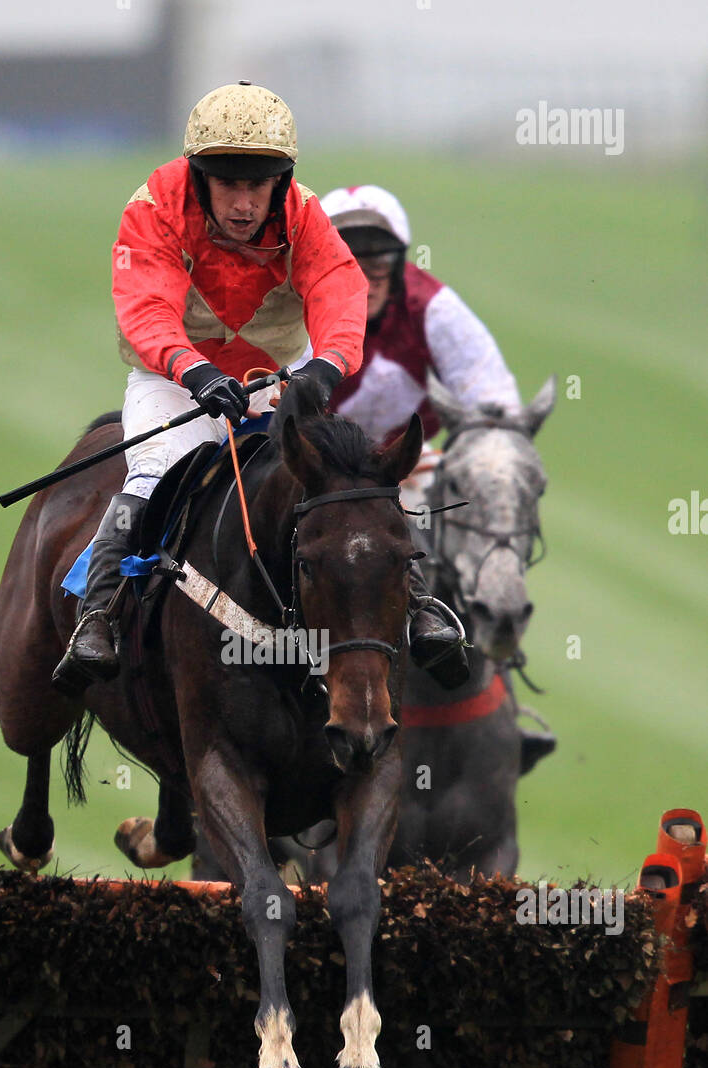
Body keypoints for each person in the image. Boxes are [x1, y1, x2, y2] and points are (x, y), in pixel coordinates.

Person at [52, 87, 466, 696]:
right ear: (198, 178)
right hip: (175, 380)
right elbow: (146, 306)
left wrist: (326, 367)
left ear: (282, 180)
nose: (245, 205)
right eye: (228, 186)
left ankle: (422, 607)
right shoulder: (153, 208)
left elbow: (336, 288)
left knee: (347, 477)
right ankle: (100, 617)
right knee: (154, 468)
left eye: (259, 186)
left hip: (279, 376)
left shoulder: (302, 211)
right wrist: (193, 372)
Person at [319, 184, 556, 766]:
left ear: (400, 261)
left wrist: (461, 452)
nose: (366, 275)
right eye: (350, 260)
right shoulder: (291, 309)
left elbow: (492, 402)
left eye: (378, 260)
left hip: (411, 471)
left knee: (481, 494)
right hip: (314, 480)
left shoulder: (435, 308)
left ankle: (497, 688)